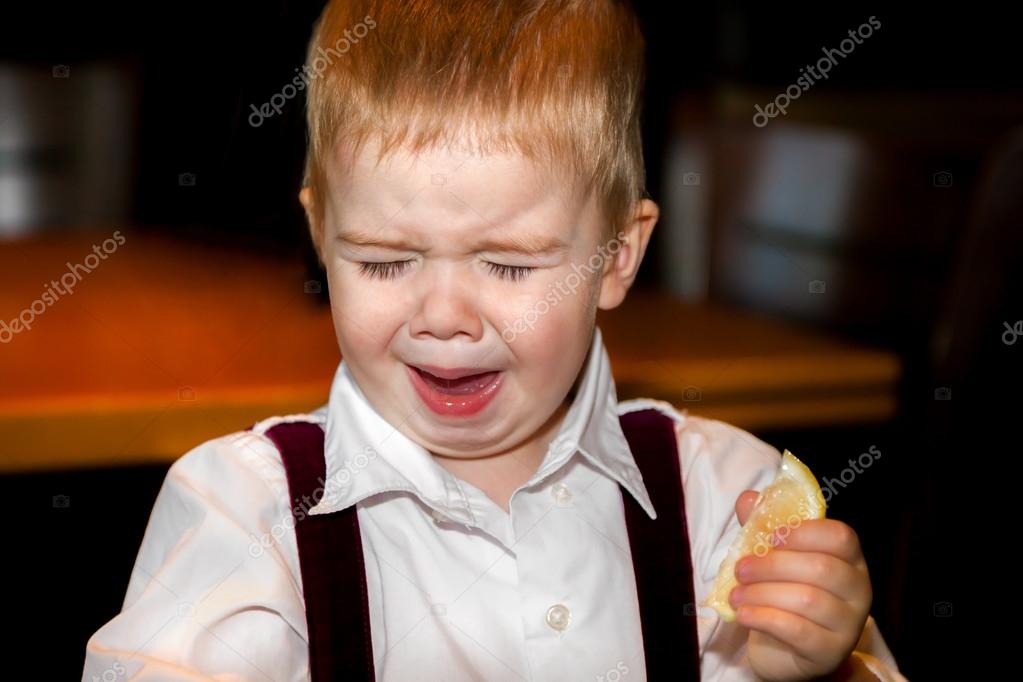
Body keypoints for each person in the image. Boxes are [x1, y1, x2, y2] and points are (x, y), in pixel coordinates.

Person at [83, 1, 907, 679]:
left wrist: (820, 665)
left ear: (616, 257)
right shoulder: (248, 515)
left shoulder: (723, 504)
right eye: (384, 260)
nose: (443, 316)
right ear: (321, 236)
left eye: (509, 265)